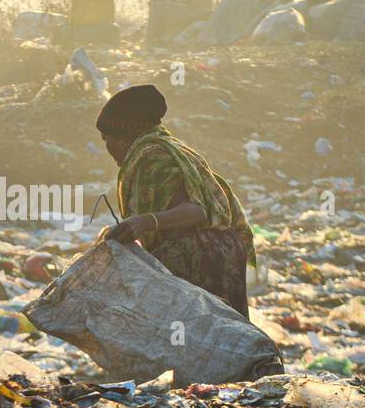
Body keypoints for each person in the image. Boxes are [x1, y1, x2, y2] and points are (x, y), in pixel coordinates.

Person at [97, 83, 257, 319]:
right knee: (223, 339)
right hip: (222, 255)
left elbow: (196, 211)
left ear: (122, 138)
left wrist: (144, 221)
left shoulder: (153, 155)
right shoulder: (170, 148)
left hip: (197, 260)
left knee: (192, 340)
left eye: (106, 140)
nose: (108, 148)